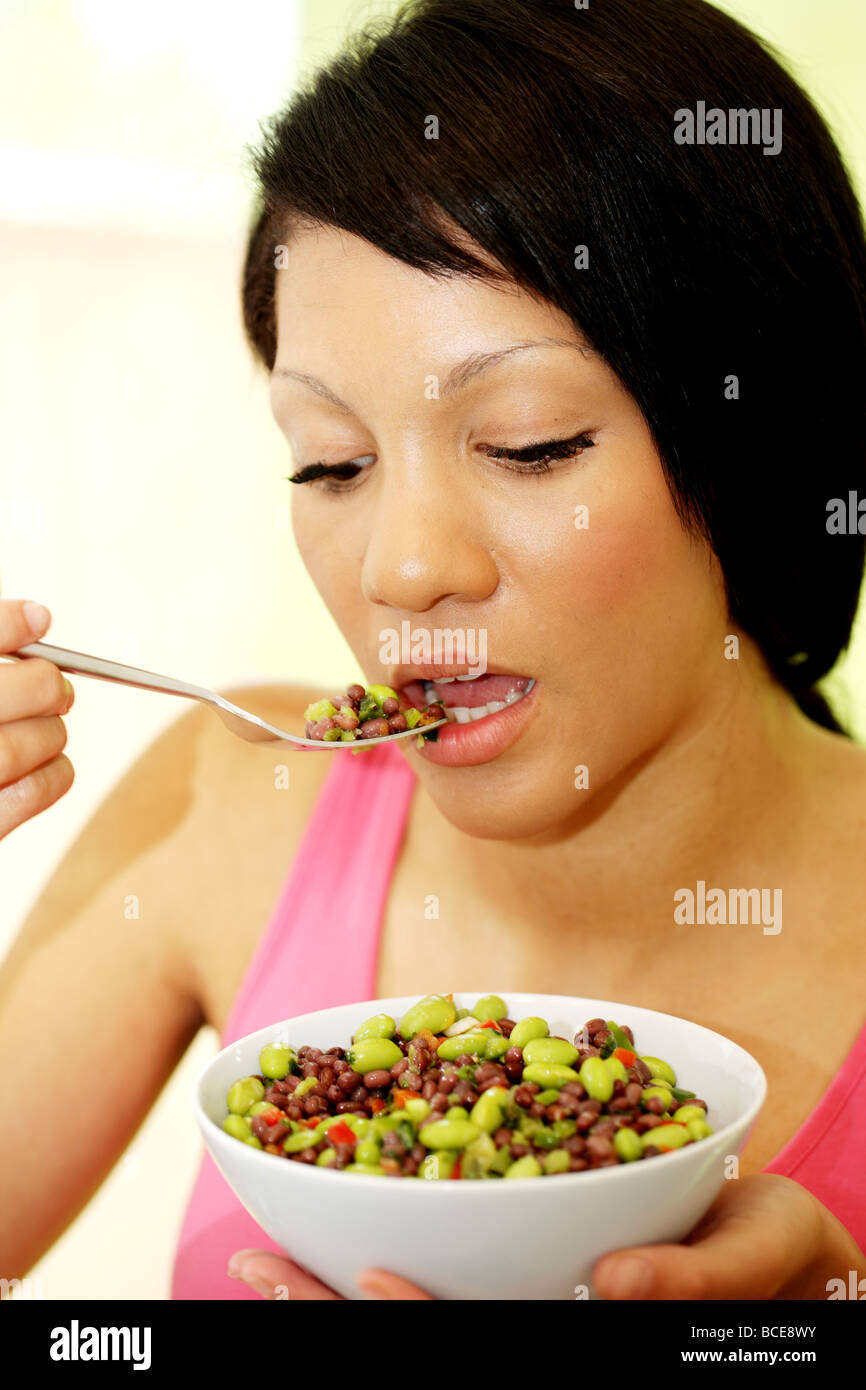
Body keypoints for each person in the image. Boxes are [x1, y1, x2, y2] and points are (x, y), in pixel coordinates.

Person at [2, 0, 865, 1301]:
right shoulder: (224, 797)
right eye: (331, 461)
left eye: (527, 444)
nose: (401, 568)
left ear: (751, 444)